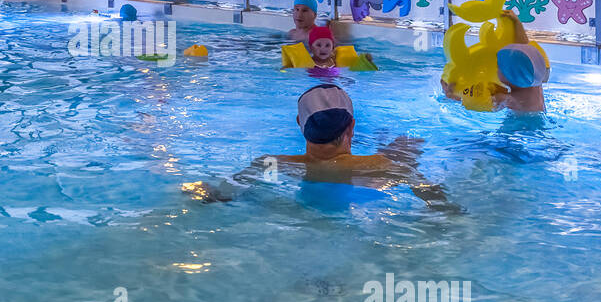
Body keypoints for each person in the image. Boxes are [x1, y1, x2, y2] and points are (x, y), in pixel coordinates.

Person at [184, 85, 457, 212]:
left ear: (299, 125)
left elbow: (218, 196)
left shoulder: (270, 164)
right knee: (406, 144)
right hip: (360, 217)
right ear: (352, 126)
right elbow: (445, 208)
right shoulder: (388, 167)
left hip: (301, 221)